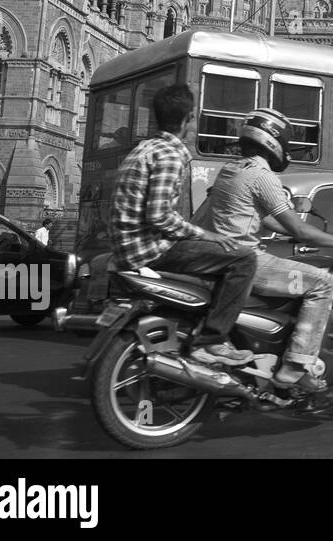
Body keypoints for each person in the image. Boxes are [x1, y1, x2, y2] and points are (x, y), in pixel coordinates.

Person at [110, 84, 258, 367]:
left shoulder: (144, 148)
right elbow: (160, 217)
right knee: (243, 260)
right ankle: (213, 341)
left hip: (129, 248)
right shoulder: (169, 154)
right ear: (189, 118)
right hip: (148, 250)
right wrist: (208, 235)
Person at [202, 108, 333, 391]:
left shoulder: (230, 170)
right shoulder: (262, 177)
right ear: (274, 141)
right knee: (325, 283)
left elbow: (257, 217)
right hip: (247, 260)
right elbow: (299, 230)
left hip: (216, 255)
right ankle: (296, 366)